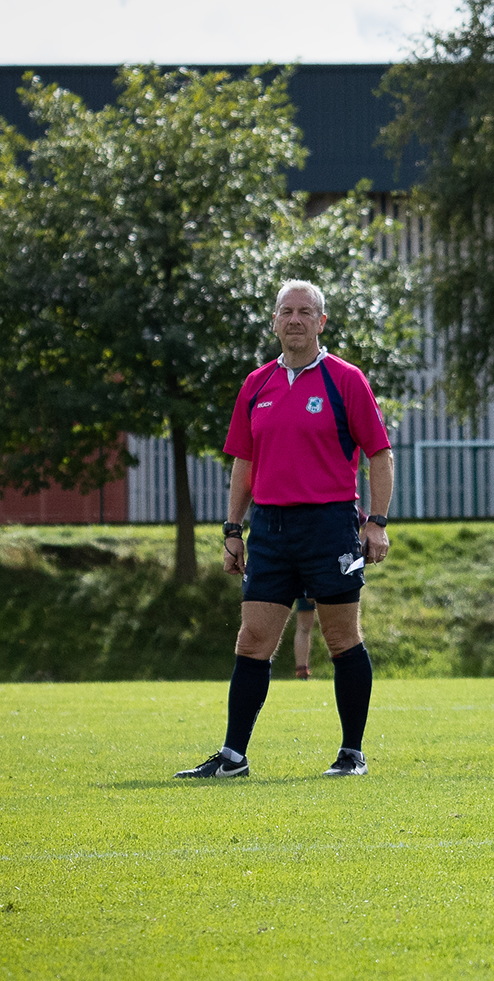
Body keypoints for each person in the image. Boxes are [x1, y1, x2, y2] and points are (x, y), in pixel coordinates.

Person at [175, 279, 394, 780]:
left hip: (331, 524)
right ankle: (232, 757)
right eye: (286, 311)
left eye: (305, 312)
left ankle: (351, 754)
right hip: (269, 529)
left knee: (342, 638)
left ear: (321, 322)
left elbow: (379, 455)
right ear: (274, 321)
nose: (294, 319)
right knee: (252, 639)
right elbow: (243, 462)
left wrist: (376, 522)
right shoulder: (256, 385)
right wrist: (233, 529)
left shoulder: (346, 380)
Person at [288, 597, 318, 679]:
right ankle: (302, 672)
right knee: (304, 626)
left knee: (334, 627)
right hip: (307, 586)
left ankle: (343, 665)